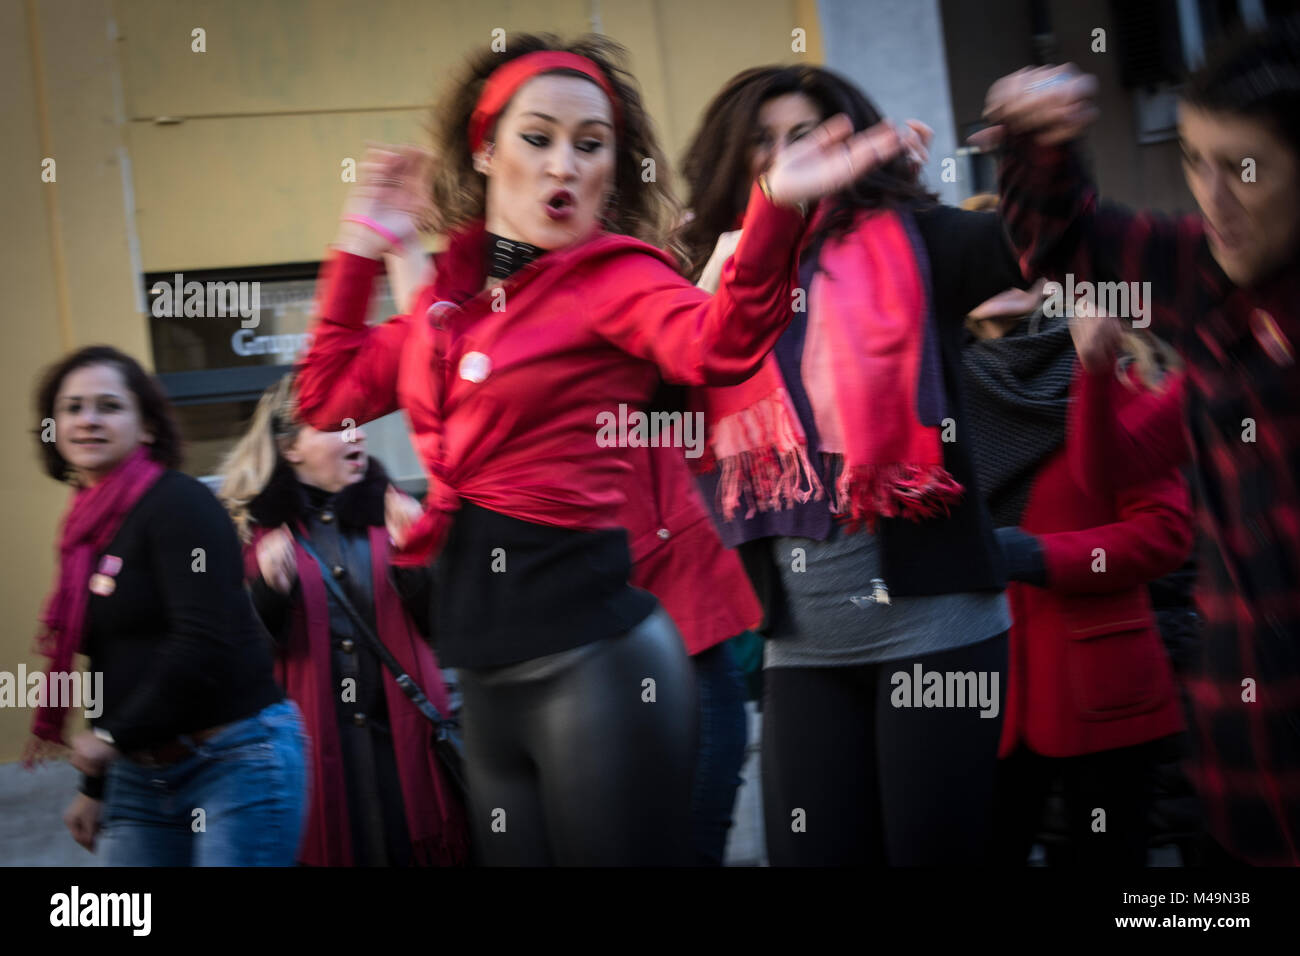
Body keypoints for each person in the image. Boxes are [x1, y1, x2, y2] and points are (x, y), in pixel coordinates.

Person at [293, 34, 900, 865]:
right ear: (484, 151)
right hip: (487, 679)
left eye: (590, 145)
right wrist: (361, 244)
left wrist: (776, 207)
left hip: (600, 669)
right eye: (537, 138)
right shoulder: (449, 307)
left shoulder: (616, 276)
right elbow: (324, 398)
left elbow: (717, 346)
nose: (564, 166)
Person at [678, 64, 1019, 865]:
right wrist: (709, 285)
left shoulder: (918, 240)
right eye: (762, 141)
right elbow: (657, 413)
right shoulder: (712, 273)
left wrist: (1035, 160)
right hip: (805, 650)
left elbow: (1030, 248)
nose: (786, 157)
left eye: (803, 135)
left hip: (938, 633)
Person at [980, 16, 1300, 865]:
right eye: (1195, 162)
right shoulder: (1206, 277)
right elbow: (1068, 241)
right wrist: (1038, 140)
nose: (1213, 200)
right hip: (1244, 771)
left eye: (1245, 169)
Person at [384, 242, 760, 866]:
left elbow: (702, 344)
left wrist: (732, 256)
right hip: (543, 668)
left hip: (672, 642)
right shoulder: (472, 370)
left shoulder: (608, 308)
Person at [30, 345, 307, 866]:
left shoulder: (179, 503)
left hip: (236, 760)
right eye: (72, 408)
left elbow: (201, 640)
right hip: (137, 774)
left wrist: (111, 736)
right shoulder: (84, 531)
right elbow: (112, 661)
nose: (88, 419)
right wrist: (95, 786)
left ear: (147, 427)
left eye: (109, 406)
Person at [959, 268, 1195, 865]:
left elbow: (1165, 534)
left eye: (1018, 257)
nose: (1000, 271)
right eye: (983, 255)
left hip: (1102, 698)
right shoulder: (940, 392)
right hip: (982, 697)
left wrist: (1042, 557)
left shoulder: (1112, 370)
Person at [218, 375, 467, 866]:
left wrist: (418, 561)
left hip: (406, 747)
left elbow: (444, 628)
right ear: (290, 448)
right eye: (338, 427)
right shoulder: (252, 533)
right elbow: (234, 658)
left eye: (360, 424)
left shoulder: (396, 511)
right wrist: (268, 592)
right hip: (314, 755)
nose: (358, 435)